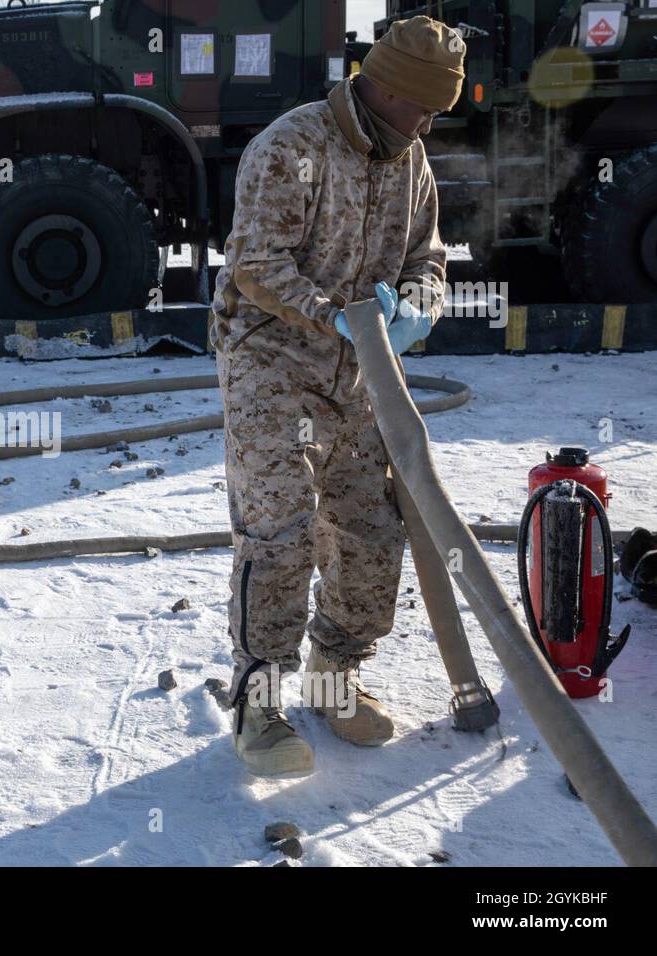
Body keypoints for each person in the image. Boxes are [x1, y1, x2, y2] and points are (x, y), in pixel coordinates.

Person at [212, 16, 466, 776]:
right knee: (280, 526)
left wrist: (418, 303)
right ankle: (258, 699)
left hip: (359, 364)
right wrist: (333, 317)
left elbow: (427, 253)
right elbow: (256, 261)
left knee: (369, 522)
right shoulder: (291, 147)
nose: (425, 125)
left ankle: (333, 674)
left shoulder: (409, 155)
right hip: (271, 355)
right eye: (420, 107)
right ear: (383, 86)